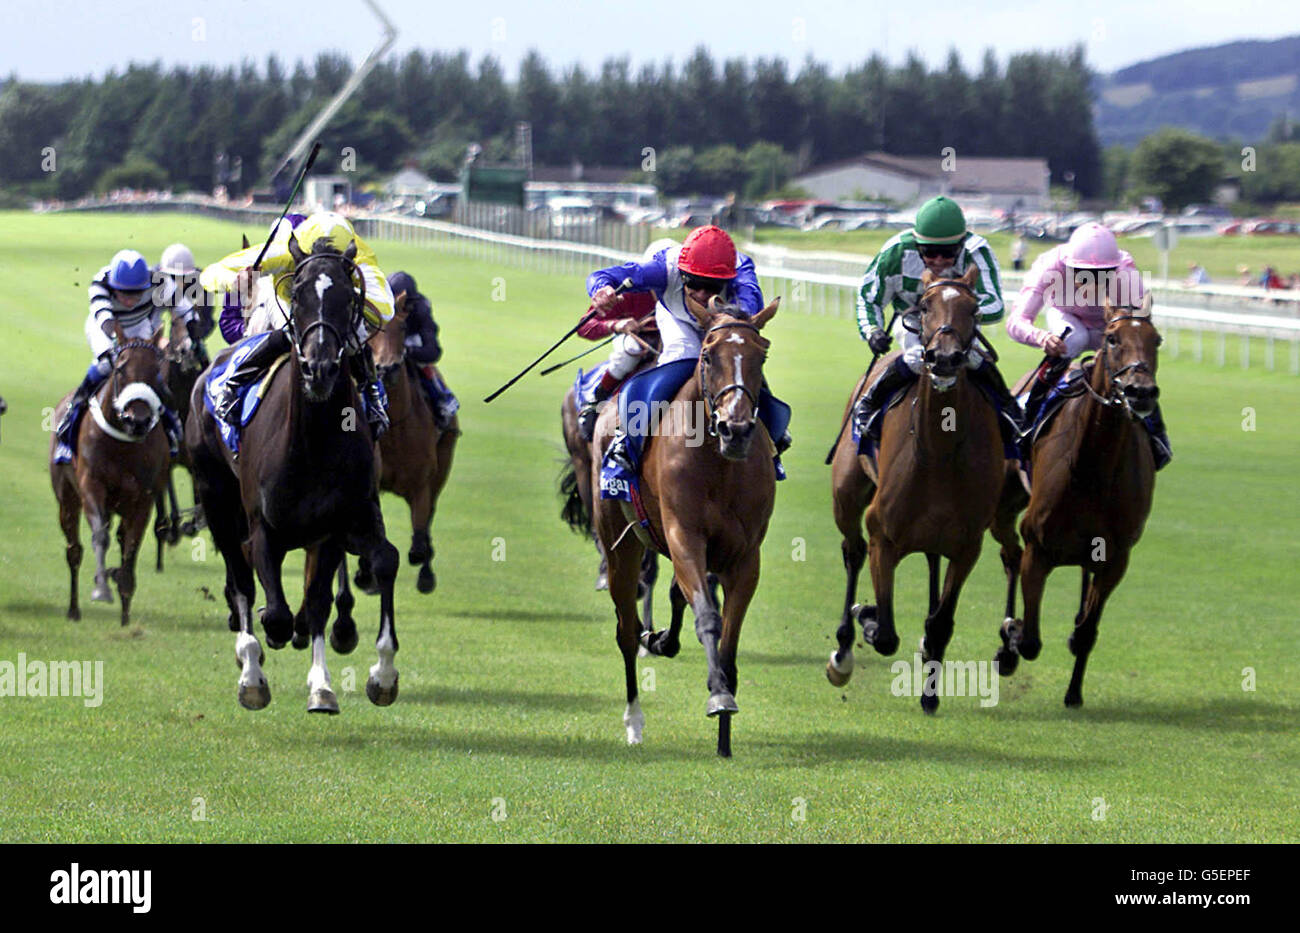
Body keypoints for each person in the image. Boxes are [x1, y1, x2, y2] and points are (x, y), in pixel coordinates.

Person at [585, 225, 790, 497]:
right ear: (682, 274)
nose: (703, 295)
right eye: (693, 284)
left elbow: (750, 307)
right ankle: (626, 439)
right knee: (684, 357)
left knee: (738, 358)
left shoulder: (741, 271)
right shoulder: (662, 269)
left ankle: (772, 442)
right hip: (678, 320)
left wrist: (734, 332)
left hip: (724, 323)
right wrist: (602, 289)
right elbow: (604, 275)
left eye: (713, 287)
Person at [199, 211, 393, 436]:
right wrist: (233, 281)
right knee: (289, 332)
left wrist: (340, 293)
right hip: (290, 299)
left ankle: (372, 395)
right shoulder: (282, 252)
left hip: (334, 304)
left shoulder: (361, 257)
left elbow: (385, 310)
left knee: (354, 337)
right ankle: (233, 385)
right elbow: (210, 273)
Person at [854, 196, 1021, 444]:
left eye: (948, 253)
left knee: (974, 356)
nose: (939, 261)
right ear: (917, 244)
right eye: (930, 254)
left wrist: (961, 312)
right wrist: (873, 331)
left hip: (959, 325)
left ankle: (1009, 409)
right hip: (912, 321)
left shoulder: (977, 251)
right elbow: (869, 297)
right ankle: (869, 402)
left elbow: (995, 304)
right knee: (915, 357)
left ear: (961, 244)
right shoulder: (896, 251)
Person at [1005, 221, 1170, 468]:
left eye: (1102, 275)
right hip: (1067, 318)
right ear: (1068, 266)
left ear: (1114, 269)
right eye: (1084, 275)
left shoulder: (1126, 274)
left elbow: (1139, 330)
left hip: (1110, 325)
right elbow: (1016, 321)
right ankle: (1029, 418)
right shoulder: (1049, 266)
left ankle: (1156, 431)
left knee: (1134, 363)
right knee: (1073, 339)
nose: (1093, 283)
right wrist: (1042, 338)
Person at [54, 249, 186, 458]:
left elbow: (183, 307)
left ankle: (171, 428)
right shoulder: (100, 282)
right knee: (105, 367)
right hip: (105, 327)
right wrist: (119, 348)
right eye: (124, 294)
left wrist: (191, 326)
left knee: (150, 375)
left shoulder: (158, 280)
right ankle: (68, 428)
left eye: (136, 294)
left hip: (138, 326)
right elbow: (105, 320)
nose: (129, 300)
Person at [574, 239, 671, 442]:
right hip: (637, 340)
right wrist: (616, 325)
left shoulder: (686, 292)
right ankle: (597, 400)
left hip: (673, 343)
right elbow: (584, 327)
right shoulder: (626, 293)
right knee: (630, 350)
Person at [387, 270, 459, 430]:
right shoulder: (380, 308)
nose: (403, 311)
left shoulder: (421, 309)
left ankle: (443, 398)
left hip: (410, 342)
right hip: (389, 341)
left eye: (408, 306)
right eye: (400, 306)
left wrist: (408, 351)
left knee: (423, 364)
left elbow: (433, 351)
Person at [156, 242, 211, 367]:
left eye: (181, 278)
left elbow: (206, 322)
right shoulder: (154, 282)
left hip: (185, 333)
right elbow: (148, 320)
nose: (175, 283)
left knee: (202, 356)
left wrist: (193, 338)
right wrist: (159, 339)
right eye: (171, 277)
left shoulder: (202, 285)